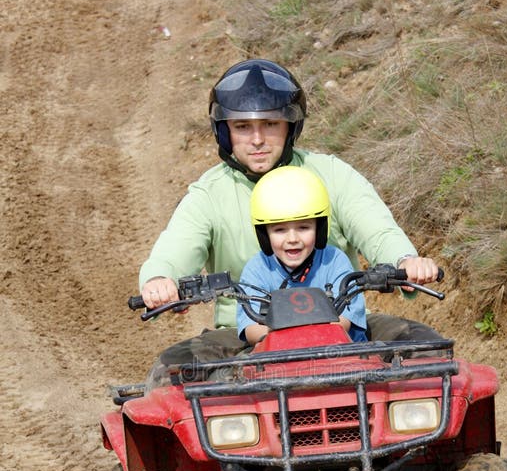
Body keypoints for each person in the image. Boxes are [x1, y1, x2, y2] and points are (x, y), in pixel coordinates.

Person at [139, 58, 444, 373]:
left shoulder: (332, 174)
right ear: (225, 132)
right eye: (243, 127)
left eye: (270, 124)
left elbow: (376, 228)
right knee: (172, 373)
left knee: (428, 351)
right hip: (247, 336)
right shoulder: (209, 194)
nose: (257, 139)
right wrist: (161, 279)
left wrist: (405, 260)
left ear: (290, 127)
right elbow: (178, 244)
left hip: (342, 327)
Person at [237, 165, 368, 345]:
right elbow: (251, 329)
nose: (292, 239)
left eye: (303, 227)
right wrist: (289, 340)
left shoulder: (335, 261)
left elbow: (345, 320)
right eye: (280, 230)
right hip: (280, 354)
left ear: (320, 228)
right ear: (264, 235)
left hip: (338, 351)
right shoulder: (257, 268)